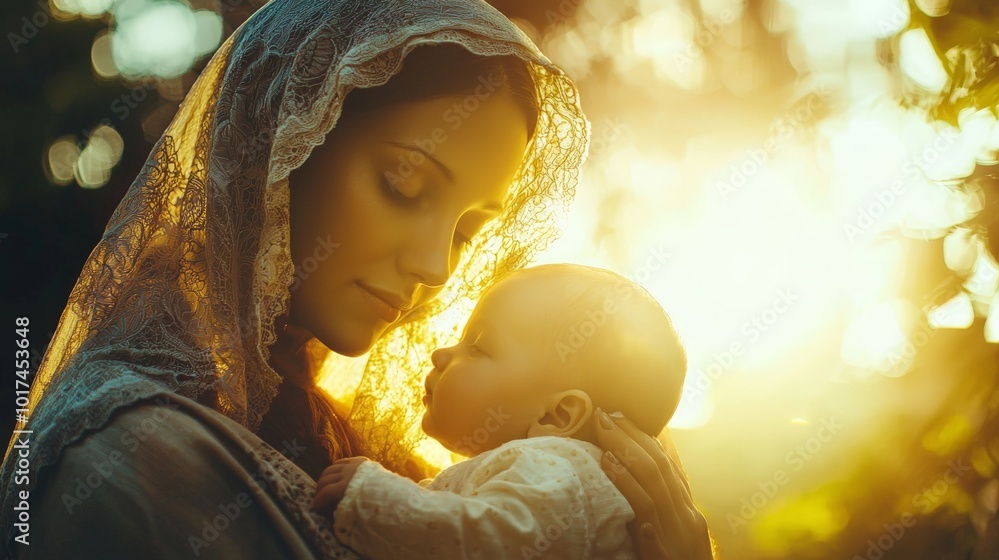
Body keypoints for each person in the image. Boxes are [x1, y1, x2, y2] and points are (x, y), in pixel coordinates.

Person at [0, 0, 713, 558]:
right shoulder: (122, 457)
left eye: (468, 231)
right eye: (405, 184)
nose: (437, 268)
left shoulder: (370, 457)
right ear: (281, 148)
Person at [311, 263, 688, 559]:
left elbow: (490, 542)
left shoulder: (558, 467)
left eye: (478, 347)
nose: (440, 354)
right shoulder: (551, 478)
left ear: (557, 416)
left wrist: (374, 497)